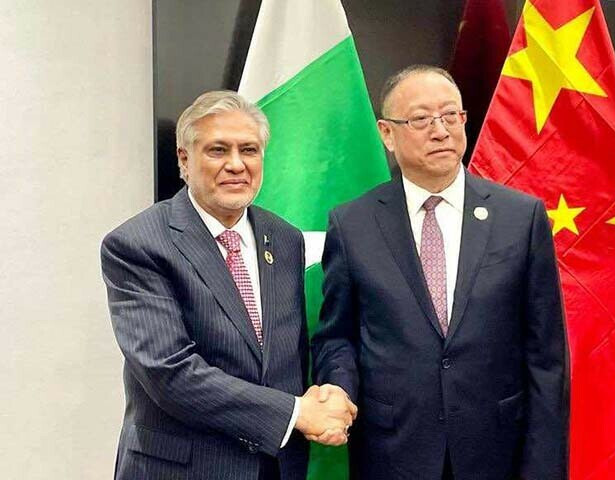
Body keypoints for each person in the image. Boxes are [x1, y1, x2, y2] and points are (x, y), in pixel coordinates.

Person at [312, 66, 569, 480]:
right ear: (387, 134)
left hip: (496, 451)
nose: (441, 131)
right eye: (421, 119)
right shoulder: (352, 224)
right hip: (392, 452)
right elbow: (337, 336)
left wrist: (544, 468)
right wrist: (338, 388)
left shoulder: (520, 218)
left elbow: (546, 356)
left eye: (451, 116)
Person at [101, 90, 355, 480]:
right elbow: (170, 372)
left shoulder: (285, 239)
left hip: (276, 467)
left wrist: (332, 393)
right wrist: (296, 413)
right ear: (184, 161)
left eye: (249, 150)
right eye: (218, 150)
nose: (236, 165)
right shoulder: (138, 244)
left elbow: (286, 354)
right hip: (183, 470)